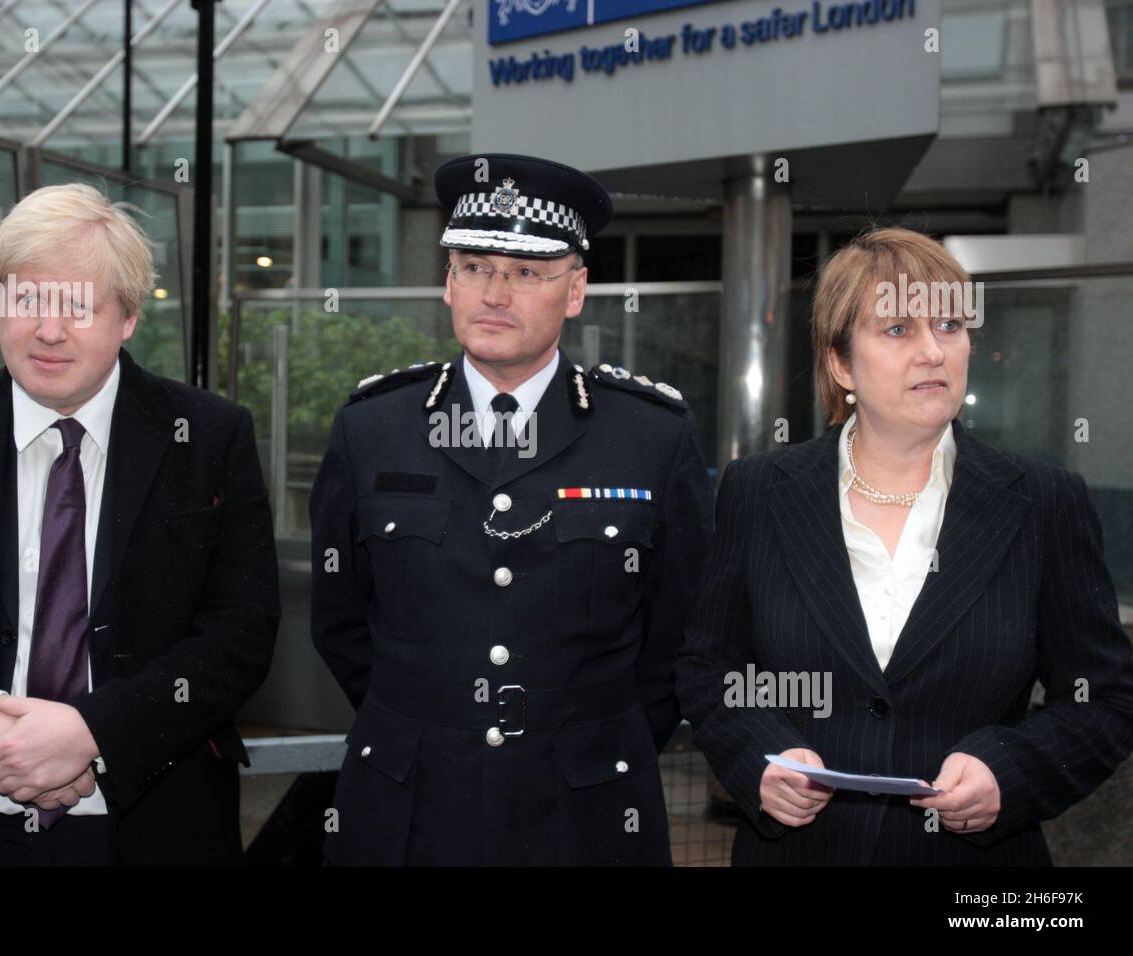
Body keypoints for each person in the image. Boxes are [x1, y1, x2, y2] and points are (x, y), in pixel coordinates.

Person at [0, 183, 279, 865]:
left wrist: (93, 732)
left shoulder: (210, 438)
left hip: (153, 827)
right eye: (26, 298)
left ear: (128, 316)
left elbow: (240, 634)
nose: (47, 329)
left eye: (77, 304)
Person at [676, 226, 1133, 865]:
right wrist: (760, 757)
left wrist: (1010, 772)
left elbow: (1105, 698)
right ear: (840, 364)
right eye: (898, 331)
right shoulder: (760, 491)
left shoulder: (1043, 502)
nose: (932, 352)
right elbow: (709, 668)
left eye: (949, 327)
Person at [309, 153, 715, 865]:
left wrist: (593, 737)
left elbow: (681, 632)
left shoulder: (651, 435)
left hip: (585, 809)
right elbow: (341, 620)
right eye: (473, 265)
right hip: (410, 803)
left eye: (527, 272)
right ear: (448, 281)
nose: (494, 292)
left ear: (577, 289)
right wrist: (428, 718)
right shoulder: (373, 427)